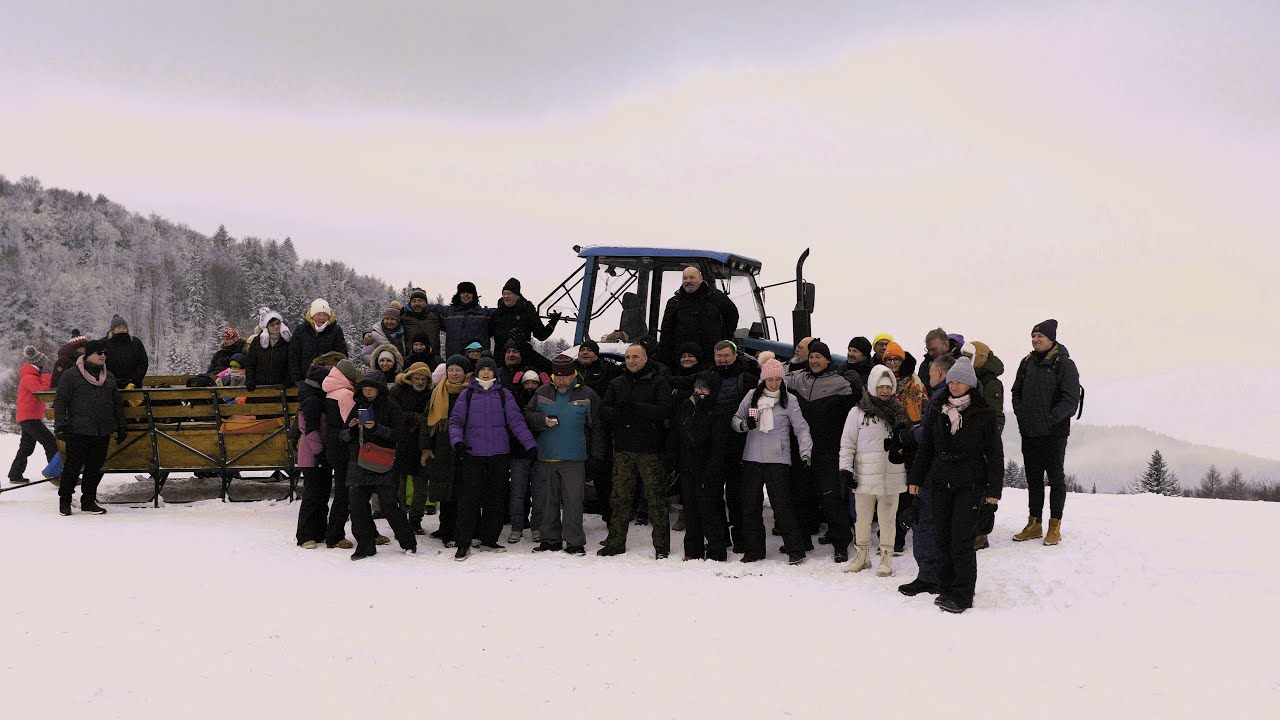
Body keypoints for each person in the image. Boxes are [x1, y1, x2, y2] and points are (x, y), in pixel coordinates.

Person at [908, 357, 1004, 613]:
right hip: (940, 480)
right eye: (952, 381)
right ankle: (946, 587)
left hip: (970, 483)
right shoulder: (939, 407)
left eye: (960, 381)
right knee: (942, 538)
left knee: (961, 541)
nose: (955, 385)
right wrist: (916, 478)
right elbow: (927, 447)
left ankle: (962, 595)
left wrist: (994, 491)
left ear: (970, 383)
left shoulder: (982, 412)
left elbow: (995, 453)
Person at [449, 356, 537, 560]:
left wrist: (530, 444)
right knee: (469, 501)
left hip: (499, 455)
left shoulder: (504, 394)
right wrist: (457, 441)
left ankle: (489, 540)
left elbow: (516, 422)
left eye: (489, 369)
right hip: (473, 454)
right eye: (482, 369)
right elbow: (455, 421)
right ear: (477, 373)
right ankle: (463, 543)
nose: (486, 372)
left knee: (495, 500)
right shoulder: (467, 394)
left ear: (494, 373)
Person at [731, 356, 813, 565]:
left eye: (778, 379)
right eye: (770, 379)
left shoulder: (789, 400)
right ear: (763, 380)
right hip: (752, 458)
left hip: (778, 459)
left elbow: (801, 428)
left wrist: (805, 453)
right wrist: (744, 425)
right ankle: (753, 550)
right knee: (750, 506)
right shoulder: (752, 396)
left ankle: (795, 550)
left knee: (782, 506)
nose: (774, 384)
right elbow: (736, 419)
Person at [524, 354, 606, 555]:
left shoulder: (588, 394)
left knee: (573, 502)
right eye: (558, 376)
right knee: (548, 501)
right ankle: (550, 539)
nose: (562, 380)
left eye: (566, 376)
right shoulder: (542, 391)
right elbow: (527, 414)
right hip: (547, 456)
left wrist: (596, 455)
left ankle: (574, 542)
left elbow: (598, 426)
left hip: (575, 458)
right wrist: (542, 420)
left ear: (574, 374)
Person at [599, 343, 674, 558]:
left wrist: (638, 409)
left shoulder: (658, 382)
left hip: (651, 450)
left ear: (645, 359)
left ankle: (662, 546)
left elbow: (666, 409)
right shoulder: (617, 383)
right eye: (628, 357)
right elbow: (604, 410)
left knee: (656, 499)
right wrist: (619, 412)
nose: (631, 361)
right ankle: (615, 542)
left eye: (635, 357)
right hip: (623, 448)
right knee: (620, 498)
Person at [1010, 319, 1080, 547]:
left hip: (1054, 433)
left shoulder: (1064, 364)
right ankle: (1034, 523)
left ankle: (1054, 525)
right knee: (1033, 479)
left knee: (1056, 479)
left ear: (1051, 339)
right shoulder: (1027, 362)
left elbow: (1070, 400)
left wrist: (1049, 420)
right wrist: (1021, 415)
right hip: (1029, 431)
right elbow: (1016, 392)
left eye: (1040, 336)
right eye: (1033, 336)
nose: (1035, 339)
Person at [785, 340, 854, 562]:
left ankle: (841, 543)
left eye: (819, 357)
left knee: (831, 497)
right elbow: (771, 380)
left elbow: (851, 416)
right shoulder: (797, 379)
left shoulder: (840, 384)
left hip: (828, 450)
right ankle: (802, 540)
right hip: (801, 449)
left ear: (828, 360)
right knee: (800, 495)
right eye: (812, 356)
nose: (814, 361)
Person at [839, 364, 911, 577]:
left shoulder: (899, 413)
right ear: (872, 386)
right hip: (864, 476)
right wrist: (845, 469)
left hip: (892, 475)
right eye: (881, 387)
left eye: (888, 387)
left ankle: (886, 558)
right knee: (862, 519)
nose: (885, 391)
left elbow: (909, 442)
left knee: (888, 519)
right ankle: (861, 556)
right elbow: (847, 444)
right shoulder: (857, 412)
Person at [342, 371, 416, 559]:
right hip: (359, 462)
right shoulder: (358, 406)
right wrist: (352, 430)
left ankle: (408, 542)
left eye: (371, 389)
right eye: (364, 389)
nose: (367, 393)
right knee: (357, 507)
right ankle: (364, 545)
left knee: (389, 505)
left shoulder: (392, 407)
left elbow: (399, 435)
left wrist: (376, 428)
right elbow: (342, 436)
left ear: (380, 390)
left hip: (384, 463)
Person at [897, 355, 954, 597]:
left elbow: (932, 434)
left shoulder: (940, 397)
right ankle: (937, 574)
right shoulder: (957, 395)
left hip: (933, 469)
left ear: (940, 373)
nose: (928, 378)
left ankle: (929, 577)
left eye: (930, 374)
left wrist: (911, 434)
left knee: (925, 520)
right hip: (946, 470)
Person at [52, 339, 126, 516]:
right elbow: (60, 400)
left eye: (104, 353)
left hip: (102, 429)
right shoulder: (71, 375)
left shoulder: (109, 376)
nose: (103, 356)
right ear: (88, 355)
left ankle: (88, 501)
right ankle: (65, 500)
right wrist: (60, 424)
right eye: (99, 353)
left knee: (94, 468)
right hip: (78, 429)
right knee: (73, 467)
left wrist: (121, 424)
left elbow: (116, 403)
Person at [706, 340, 759, 552]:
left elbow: (755, 401)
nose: (722, 360)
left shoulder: (746, 377)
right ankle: (721, 536)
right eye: (719, 356)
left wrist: (752, 421)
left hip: (739, 443)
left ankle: (740, 537)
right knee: (714, 493)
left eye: (726, 355)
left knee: (736, 494)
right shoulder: (708, 376)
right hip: (714, 444)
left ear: (735, 356)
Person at [670, 370, 726, 561]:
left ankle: (716, 551)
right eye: (697, 388)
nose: (699, 392)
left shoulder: (717, 411)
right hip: (687, 467)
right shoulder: (687, 406)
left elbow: (718, 445)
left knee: (708, 511)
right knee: (690, 509)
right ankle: (692, 550)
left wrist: (711, 471)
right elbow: (678, 433)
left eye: (704, 389)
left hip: (708, 469)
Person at [294, 352, 345, 548]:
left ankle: (319, 531)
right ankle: (305, 535)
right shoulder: (313, 397)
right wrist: (319, 453)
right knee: (313, 495)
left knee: (323, 494)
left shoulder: (319, 392)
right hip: (312, 454)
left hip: (321, 451)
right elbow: (309, 428)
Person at [420, 355, 472, 547]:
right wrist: (425, 447)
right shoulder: (438, 392)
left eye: (458, 370)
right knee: (444, 489)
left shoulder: (471, 392)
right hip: (441, 446)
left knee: (462, 490)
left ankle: (461, 529)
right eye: (451, 370)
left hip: (465, 447)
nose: (454, 374)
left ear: (465, 373)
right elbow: (426, 421)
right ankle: (445, 528)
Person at [960, 341, 1006, 550]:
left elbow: (995, 415)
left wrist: (989, 441)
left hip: (983, 441)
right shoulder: (968, 376)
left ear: (980, 357)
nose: (965, 359)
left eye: (969, 355)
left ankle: (980, 534)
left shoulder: (990, 382)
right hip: (967, 438)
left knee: (982, 487)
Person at [657, 266, 739, 368]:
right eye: (685, 278)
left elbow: (732, 317)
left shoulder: (717, 298)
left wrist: (723, 341)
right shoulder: (674, 302)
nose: (688, 281)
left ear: (700, 278)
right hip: (684, 361)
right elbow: (666, 333)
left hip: (710, 359)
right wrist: (666, 360)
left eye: (692, 277)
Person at [575, 339, 620, 519]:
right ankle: (574, 518)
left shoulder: (607, 370)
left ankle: (609, 516)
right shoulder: (570, 370)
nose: (585, 353)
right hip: (577, 430)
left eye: (589, 350)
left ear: (597, 354)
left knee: (603, 475)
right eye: (582, 350)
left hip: (601, 429)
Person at [320, 359, 362, 549]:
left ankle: (336, 532)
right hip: (343, 445)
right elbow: (350, 421)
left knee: (344, 490)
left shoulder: (331, 391)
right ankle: (335, 535)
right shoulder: (345, 394)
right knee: (345, 492)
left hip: (332, 442)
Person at [391, 362, 433, 535]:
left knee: (421, 486)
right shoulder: (397, 391)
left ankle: (415, 520)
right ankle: (400, 519)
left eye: (423, 379)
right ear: (410, 378)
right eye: (417, 378)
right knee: (399, 486)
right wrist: (411, 416)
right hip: (401, 443)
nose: (420, 382)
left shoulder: (432, 394)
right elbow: (392, 414)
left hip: (422, 444)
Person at [507, 369, 548, 543]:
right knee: (517, 493)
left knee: (539, 493)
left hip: (540, 452)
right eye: (527, 383)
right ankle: (516, 527)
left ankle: (537, 526)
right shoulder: (514, 399)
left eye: (534, 383)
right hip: (518, 452)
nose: (530, 386)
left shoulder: (543, 400)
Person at [490, 277, 559, 374]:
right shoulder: (498, 313)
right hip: (500, 361)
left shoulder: (527, 311)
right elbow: (487, 332)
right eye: (504, 294)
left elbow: (541, 335)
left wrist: (552, 323)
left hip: (522, 362)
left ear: (517, 295)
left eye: (509, 294)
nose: (506, 296)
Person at [9, 346, 57, 485]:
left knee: (26, 447)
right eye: (45, 364)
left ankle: (15, 474)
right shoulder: (29, 377)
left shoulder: (32, 376)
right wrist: (46, 375)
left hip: (30, 417)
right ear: (39, 364)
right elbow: (42, 391)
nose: (46, 366)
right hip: (29, 417)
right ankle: (55, 474)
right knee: (50, 442)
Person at [288, 299, 349, 386]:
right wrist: (298, 380)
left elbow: (342, 355)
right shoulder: (301, 330)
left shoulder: (336, 330)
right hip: (304, 380)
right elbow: (293, 356)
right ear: (312, 315)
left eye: (325, 315)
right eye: (319, 314)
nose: (322, 318)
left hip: (329, 380)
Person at [435, 281, 493, 358]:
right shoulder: (448, 313)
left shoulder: (485, 314)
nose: (465, 294)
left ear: (473, 295)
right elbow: (430, 309)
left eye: (469, 292)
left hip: (477, 358)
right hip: (455, 357)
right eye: (463, 292)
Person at [244, 308, 292, 390]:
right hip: (259, 386)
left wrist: (288, 381)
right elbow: (250, 363)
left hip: (282, 386)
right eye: (272, 325)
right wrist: (250, 379)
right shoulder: (257, 341)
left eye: (277, 323)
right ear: (267, 327)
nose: (276, 327)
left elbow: (292, 363)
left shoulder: (287, 342)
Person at [102, 314, 148, 388]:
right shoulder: (104, 343)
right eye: (118, 328)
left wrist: (135, 380)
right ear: (112, 329)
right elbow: (101, 363)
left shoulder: (135, 343)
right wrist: (111, 381)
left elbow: (143, 362)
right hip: (110, 385)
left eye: (124, 327)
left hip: (133, 384)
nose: (121, 330)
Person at [400, 288, 443, 359]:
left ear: (426, 302)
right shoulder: (403, 317)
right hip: (411, 359)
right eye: (413, 301)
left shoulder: (435, 316)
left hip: (433, 359)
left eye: (420, 300)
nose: (416, 304)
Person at [919, 328, 964, 393]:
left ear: (946, 345)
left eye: (934, 349)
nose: (930, 353)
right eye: (928, 350)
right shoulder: (925, 365)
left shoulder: (962, 362)